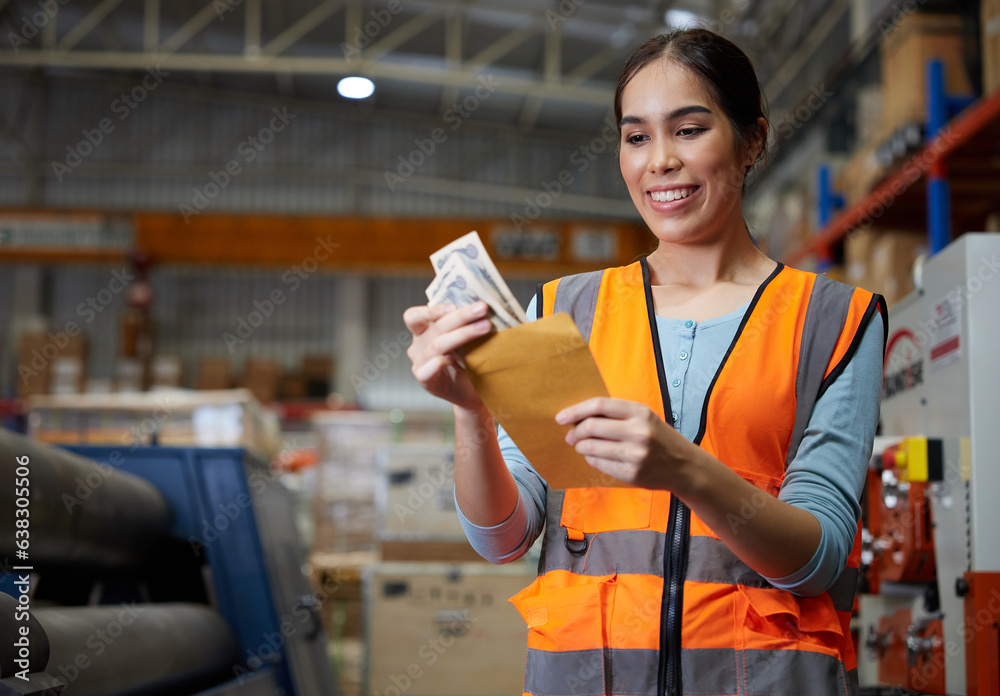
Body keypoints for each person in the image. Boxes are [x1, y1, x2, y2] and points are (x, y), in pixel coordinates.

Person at [404, 28, 886, 696]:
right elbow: (503, 538)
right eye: (636, 137)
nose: (659, 160)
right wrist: (472, 414)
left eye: (688, 130)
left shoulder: (833, 322)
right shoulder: (566, 308)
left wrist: (680, 467)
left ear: (752, 141)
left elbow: (817, 559)